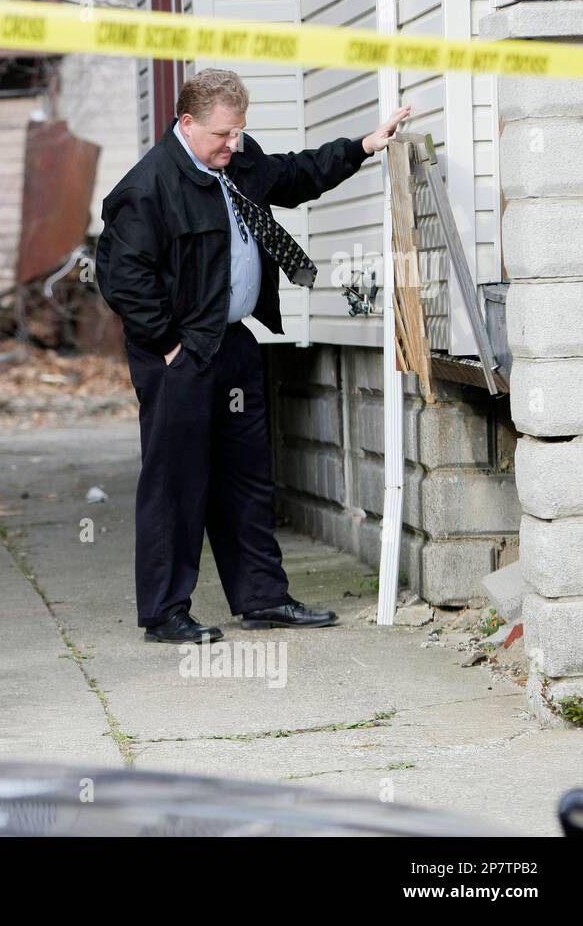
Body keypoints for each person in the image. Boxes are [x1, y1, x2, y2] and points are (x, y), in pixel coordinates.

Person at [97, 68, 411, 644]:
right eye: (223, 134)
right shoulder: (147, 187)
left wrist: (364, 146)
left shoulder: (237, 161)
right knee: (177, 482)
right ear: (186, 123)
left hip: (235, 342)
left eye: (239, 133)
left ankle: (264, 598)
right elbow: (122, 277)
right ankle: (166, 613)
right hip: (181, 353)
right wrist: (168, 343)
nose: (234, 144)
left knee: (247, 477)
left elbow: (294, 175)